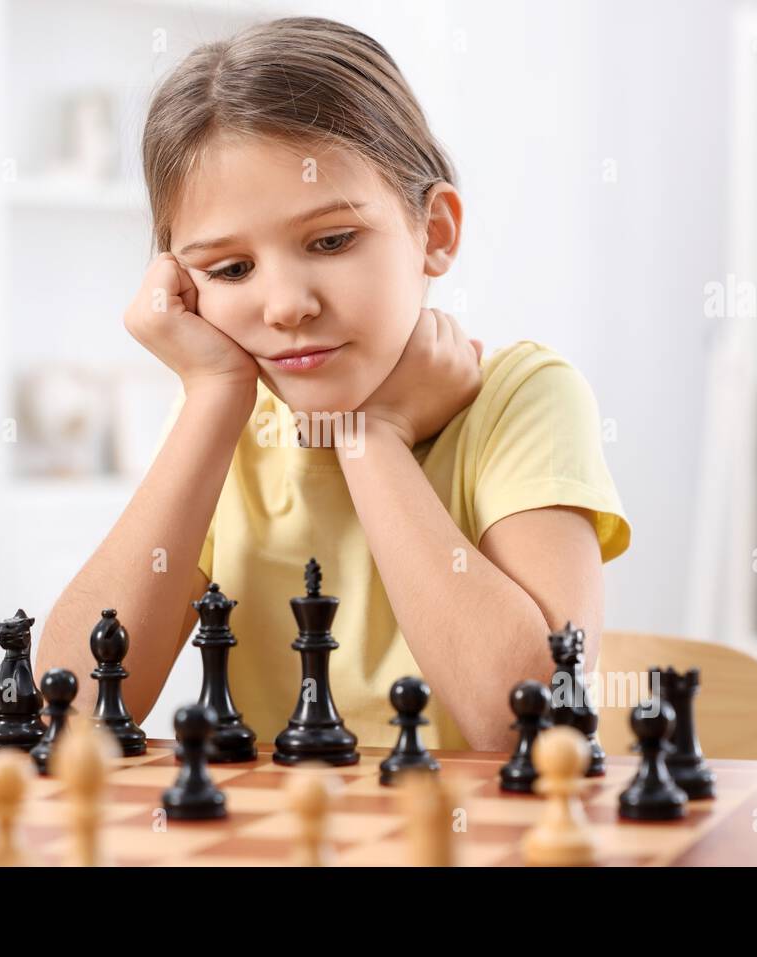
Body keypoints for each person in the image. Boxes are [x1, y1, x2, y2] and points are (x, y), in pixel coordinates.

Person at [36, 16, 630, 751]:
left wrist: (372, 436)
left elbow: (530, 726)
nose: (286, 305)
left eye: (331, 241)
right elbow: (67, 708)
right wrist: (214, 399)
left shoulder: (524, 398)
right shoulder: (224, 418)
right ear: (181, 287)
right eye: (229, 269)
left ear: (434, 231)